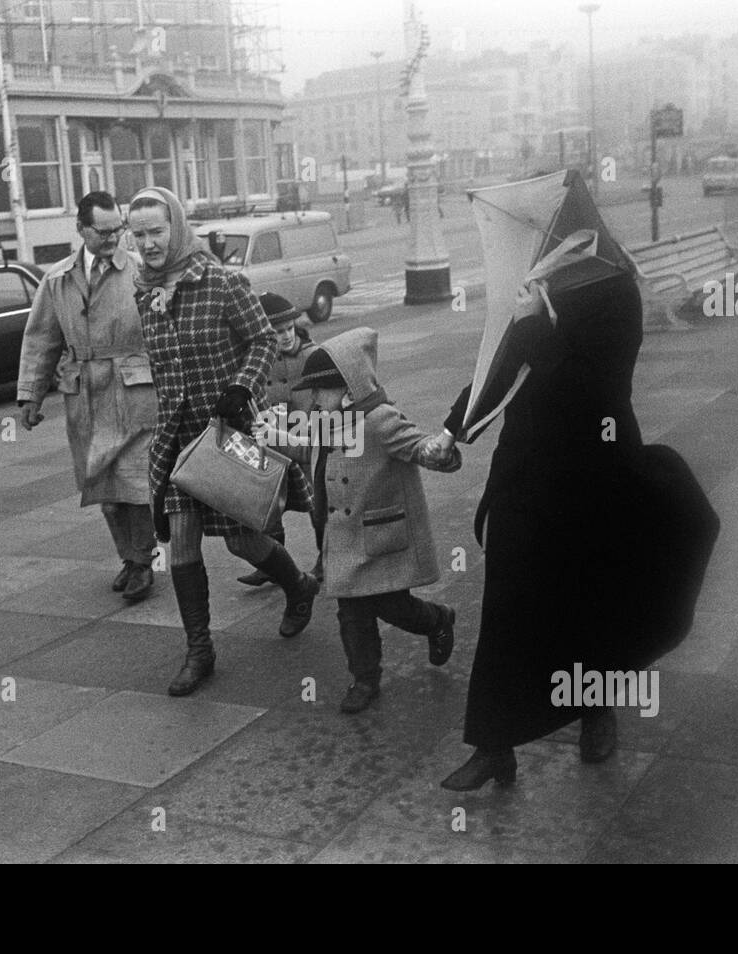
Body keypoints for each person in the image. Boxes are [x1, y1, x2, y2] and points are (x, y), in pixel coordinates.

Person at [428, 270, 647, 790]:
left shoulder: (615, 289)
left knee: (587, 598)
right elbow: (501, 363)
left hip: (595, 466)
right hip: (525, 469)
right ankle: (493, 744)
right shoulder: (536, 279)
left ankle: (596, 712)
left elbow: (597, 387)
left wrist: (534, 327)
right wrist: (452, 429)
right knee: (506, 605)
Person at [126, 185, 319, 698]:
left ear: (177, 228)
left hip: (228, 427)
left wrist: (241, 386)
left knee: (241, 539)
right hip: (177, 438)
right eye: (138, 233)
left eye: (156, 231)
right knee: (183, 541)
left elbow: (261, 339)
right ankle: (199, 651)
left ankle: (298, 585)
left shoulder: (222, 282)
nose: (147, 243)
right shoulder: (144, 293)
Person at [271, 327, 459, 714]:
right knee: (352, 610)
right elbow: (308, 451)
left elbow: (416, 445)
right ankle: (365, 678)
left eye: (320, 391)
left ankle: (437, 620)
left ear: (347, 389)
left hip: (378, 532)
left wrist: (437, 451)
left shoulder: (377, 419)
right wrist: (271, 436)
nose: (313, 399)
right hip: (342, 537)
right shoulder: (330, 421)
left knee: (392, 605)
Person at [17, 190, 157, 602]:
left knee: (136, 486)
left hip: (134, 392)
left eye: (119, 229)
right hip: (86, 396)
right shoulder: (57, 279)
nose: (114, 238)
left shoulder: (140, 272)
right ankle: (129, 559)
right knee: (104, 491)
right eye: (104, 231)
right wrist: (31, 395)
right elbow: (41, 338)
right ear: (81, 229)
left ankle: (144, 562)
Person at [236, 291, 325, 587]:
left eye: (289, 329)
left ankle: (326, 560)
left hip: (306, 438)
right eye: (277, 332)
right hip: (272, 438)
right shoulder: (256, 361)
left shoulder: (314, 355)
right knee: (268, 502)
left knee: (319, 504)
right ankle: (274, 563)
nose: (286, 336)